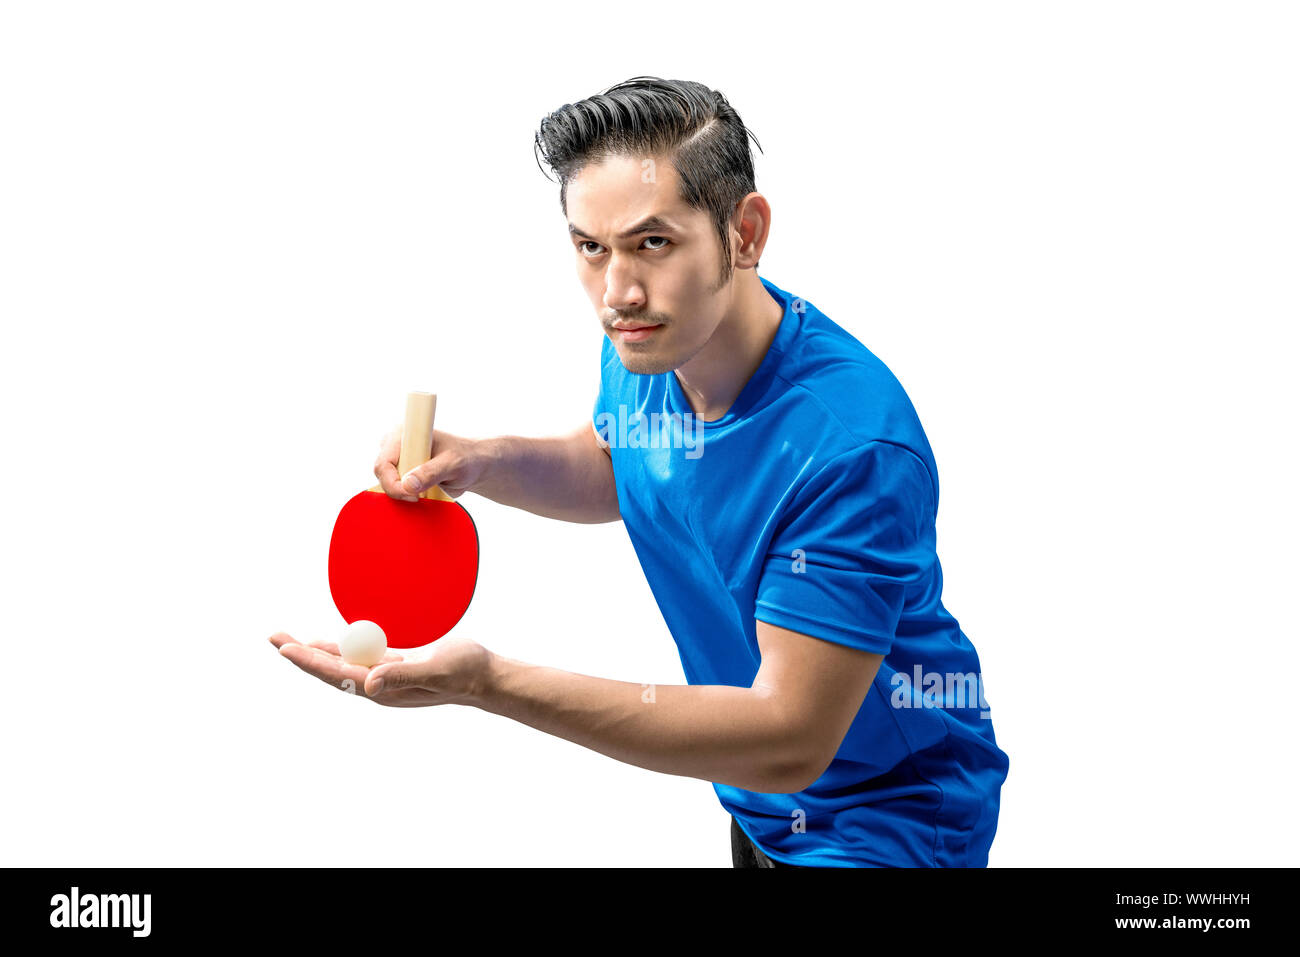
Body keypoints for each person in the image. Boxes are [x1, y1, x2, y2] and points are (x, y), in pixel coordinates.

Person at [269, 76, 1009, 867]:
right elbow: (618, 464)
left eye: (652, 243)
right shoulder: (653, 340)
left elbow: (790, 737)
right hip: (757, 799)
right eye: (592, 247)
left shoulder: (853, 448)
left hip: (887, 821)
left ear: (745, 232)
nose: (616, 292)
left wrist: (489, 683)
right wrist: (484, 460)